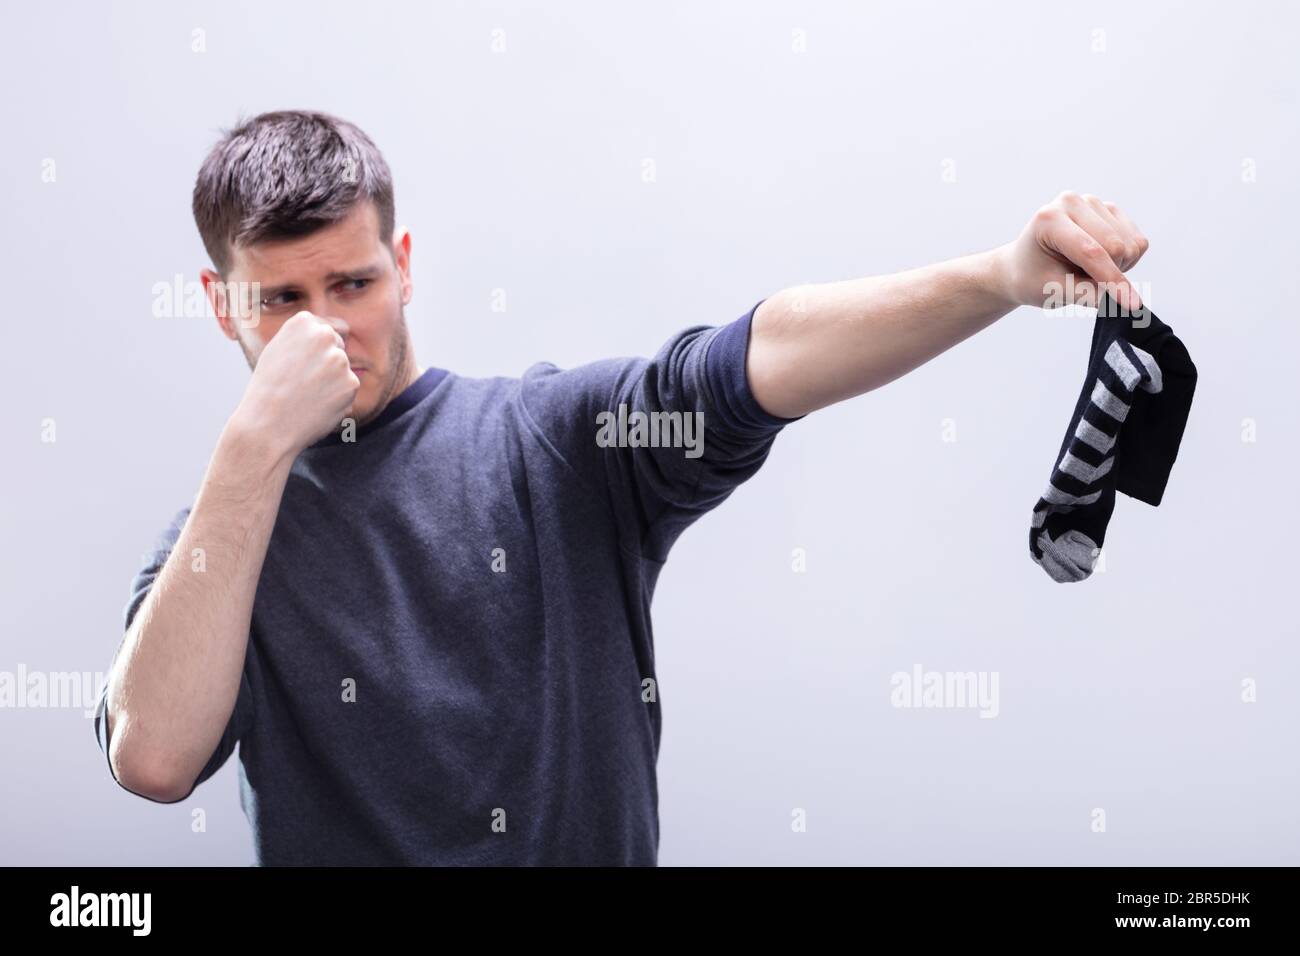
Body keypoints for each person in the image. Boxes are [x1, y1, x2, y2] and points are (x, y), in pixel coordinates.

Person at [93, 110, 1150, 865]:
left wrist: (1001, 276)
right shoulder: (216, 544)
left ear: (404, 265)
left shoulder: (549, 441)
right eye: (279, 299)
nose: (326, 326)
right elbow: (153, 756)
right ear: (219, 304)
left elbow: (754, 359)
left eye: (354, 283)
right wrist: (251, 452)